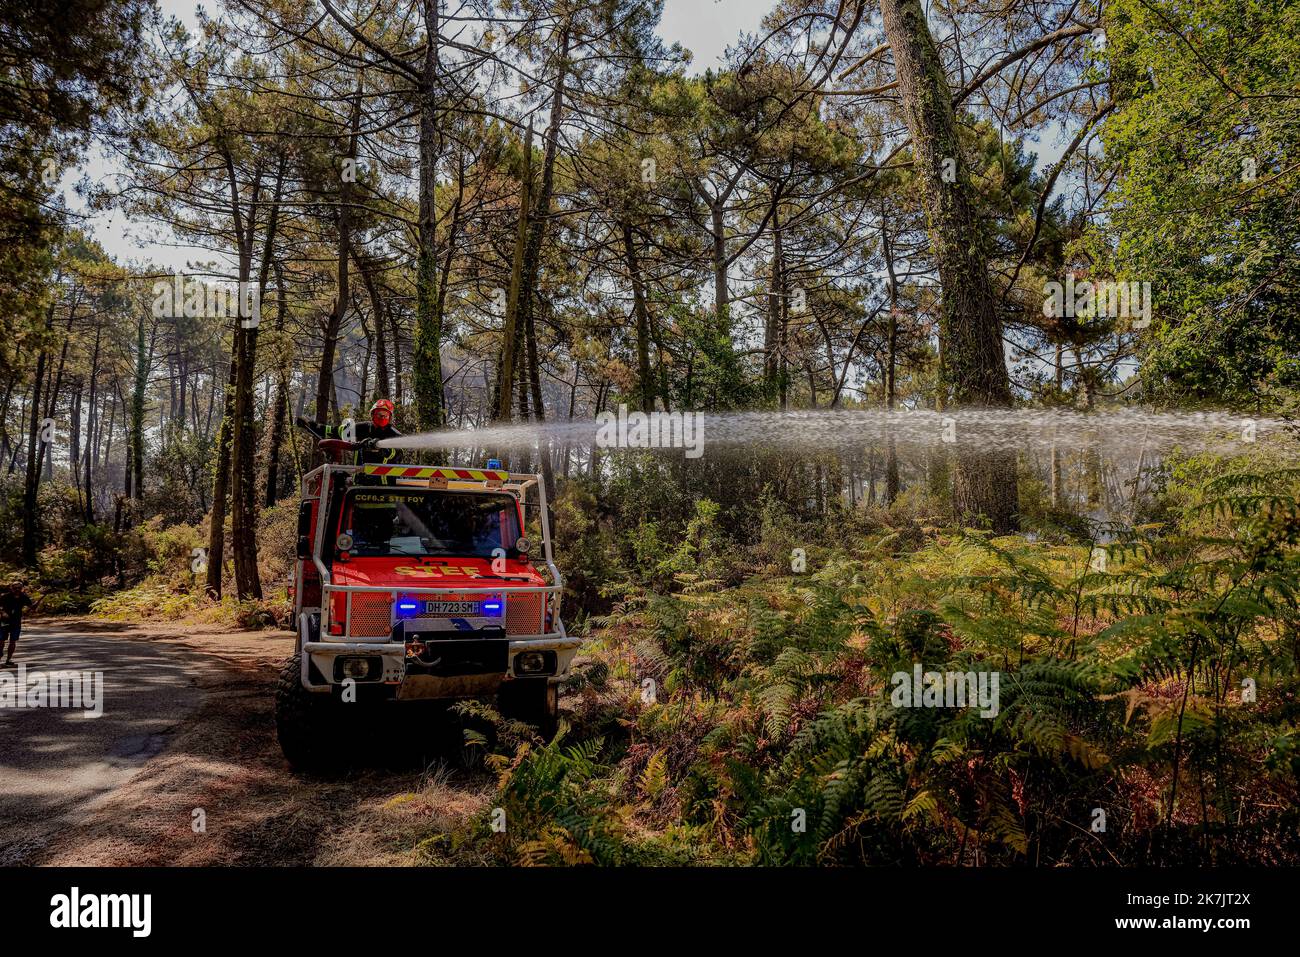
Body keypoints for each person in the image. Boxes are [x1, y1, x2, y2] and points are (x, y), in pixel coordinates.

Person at [296, 398, 403, 468]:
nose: (382, 417)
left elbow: (399, 454)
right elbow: (333, 431)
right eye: (379, 414)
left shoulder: (394, 434)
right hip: (360, 483)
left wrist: (385, 451)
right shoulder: (361, 428)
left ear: (389, 417)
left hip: (386, 485)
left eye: (385, 415)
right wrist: (310, 425)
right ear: (372, 415)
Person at [1, 580, 33, 666]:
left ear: (22, 588)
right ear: (11, 588)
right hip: (4, 621)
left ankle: (8, 659)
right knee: (1, 641)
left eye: (19, 588)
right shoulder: (5, 596)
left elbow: (31, 606)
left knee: (13, 641)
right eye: (15, 588)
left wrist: (30, 608)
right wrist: (2, 612)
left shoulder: (24, 597)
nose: (17, 589)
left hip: (16, 621)